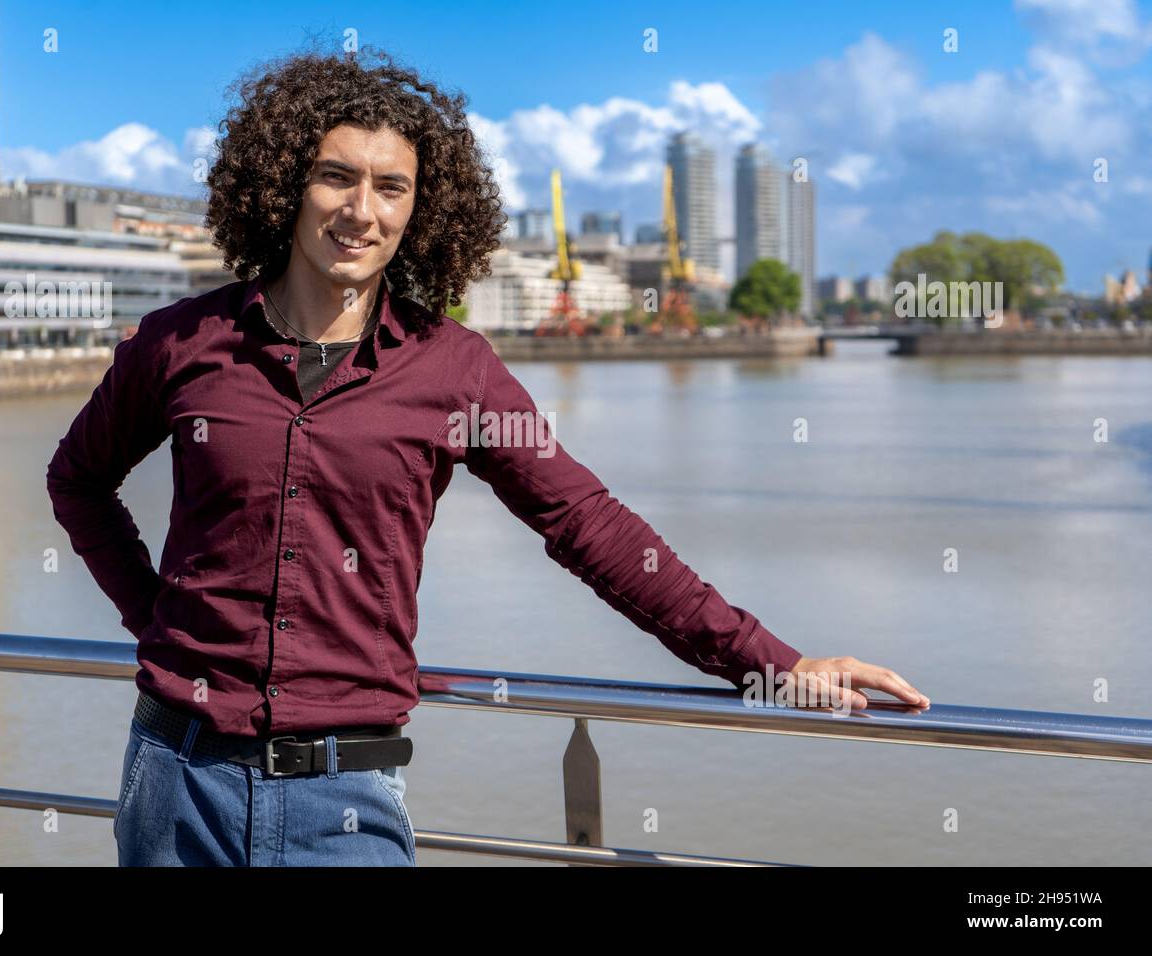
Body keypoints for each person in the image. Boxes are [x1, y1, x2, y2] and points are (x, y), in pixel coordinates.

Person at [46, 46, 928, 868]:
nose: (362, 211)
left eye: (392, 187)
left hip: (344, 797)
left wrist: (772, 664)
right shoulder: (180, 343)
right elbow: (78, 480)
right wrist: (157, 616)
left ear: (419, 209)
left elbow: (588, 524)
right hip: (173, 780)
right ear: (284, 185)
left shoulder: (452, 368)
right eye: (336, 177)